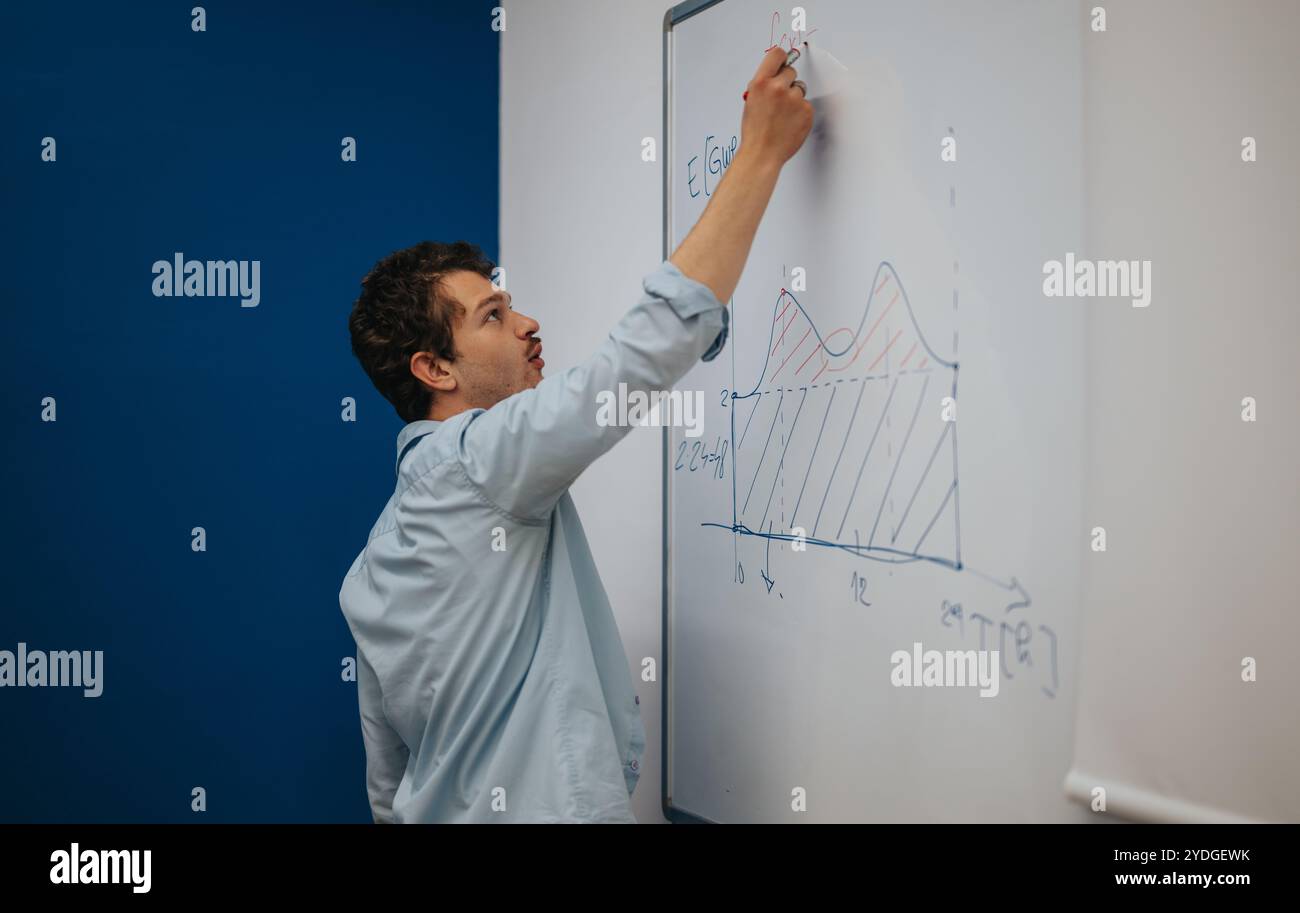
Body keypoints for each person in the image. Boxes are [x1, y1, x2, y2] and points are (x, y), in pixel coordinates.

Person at [339, 46, 813, 823]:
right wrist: (760, 151)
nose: (526, 322)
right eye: (493, 316)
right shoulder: (481, 466)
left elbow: (388, 789)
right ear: (435, 369)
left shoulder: (372, 565)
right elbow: (632, 364)